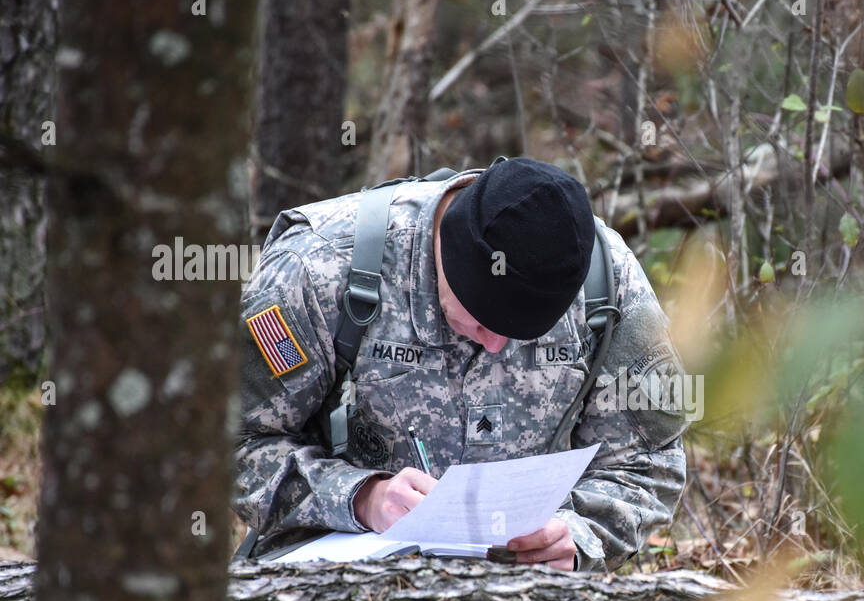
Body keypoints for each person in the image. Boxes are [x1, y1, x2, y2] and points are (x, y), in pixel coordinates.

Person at [234, 157, 687, 571]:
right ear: (447, 256)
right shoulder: (318, 270)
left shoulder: (608, 283)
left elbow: (651, 460)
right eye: (483, 321)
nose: (496, 346)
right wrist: (359, 498)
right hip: (332, 593)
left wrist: (579, 536)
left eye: (523, 333)